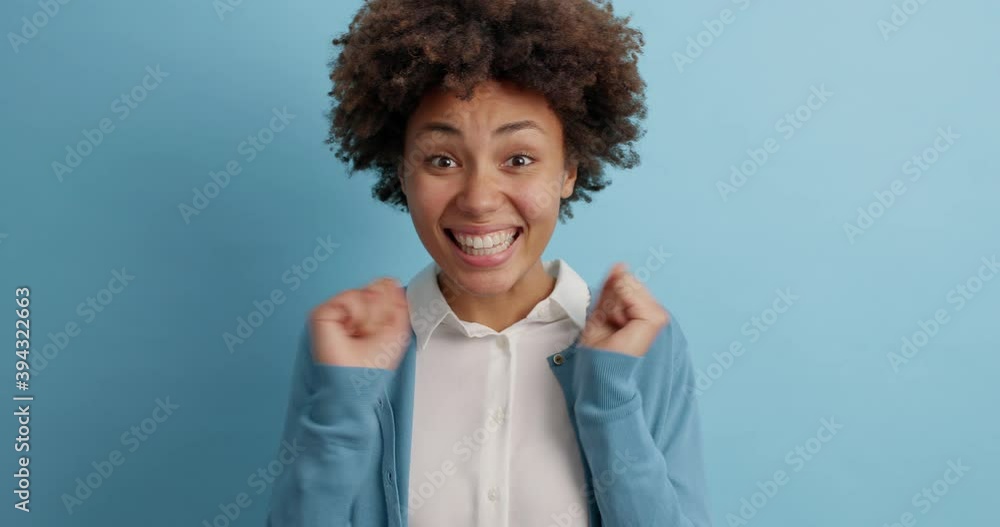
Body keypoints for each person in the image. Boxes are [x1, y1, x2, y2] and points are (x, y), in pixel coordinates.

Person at [266, 1, 712, 525]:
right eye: (442, 160)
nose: (479, 199)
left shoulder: (641, 344)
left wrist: (609, 400)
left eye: (519, 160)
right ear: (402, 172)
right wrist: (345, 407)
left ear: (569, 169)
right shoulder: (352, 348)